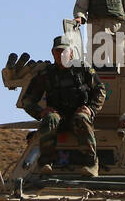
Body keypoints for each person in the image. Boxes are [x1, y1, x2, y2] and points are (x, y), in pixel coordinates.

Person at [22, 36, 107, 176]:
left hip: (77, 117)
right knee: (50, 118)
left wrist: (91, 109)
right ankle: (46, 163)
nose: (61, 54)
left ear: (71, 52)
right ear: (52, 53)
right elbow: (28, 100)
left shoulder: (82, 69)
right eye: (57, 51)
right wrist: (40, 112)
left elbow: (100, 90)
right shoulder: (46, 74)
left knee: (81, 118)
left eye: (64, 51)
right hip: (58, 118)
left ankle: (90, 163)